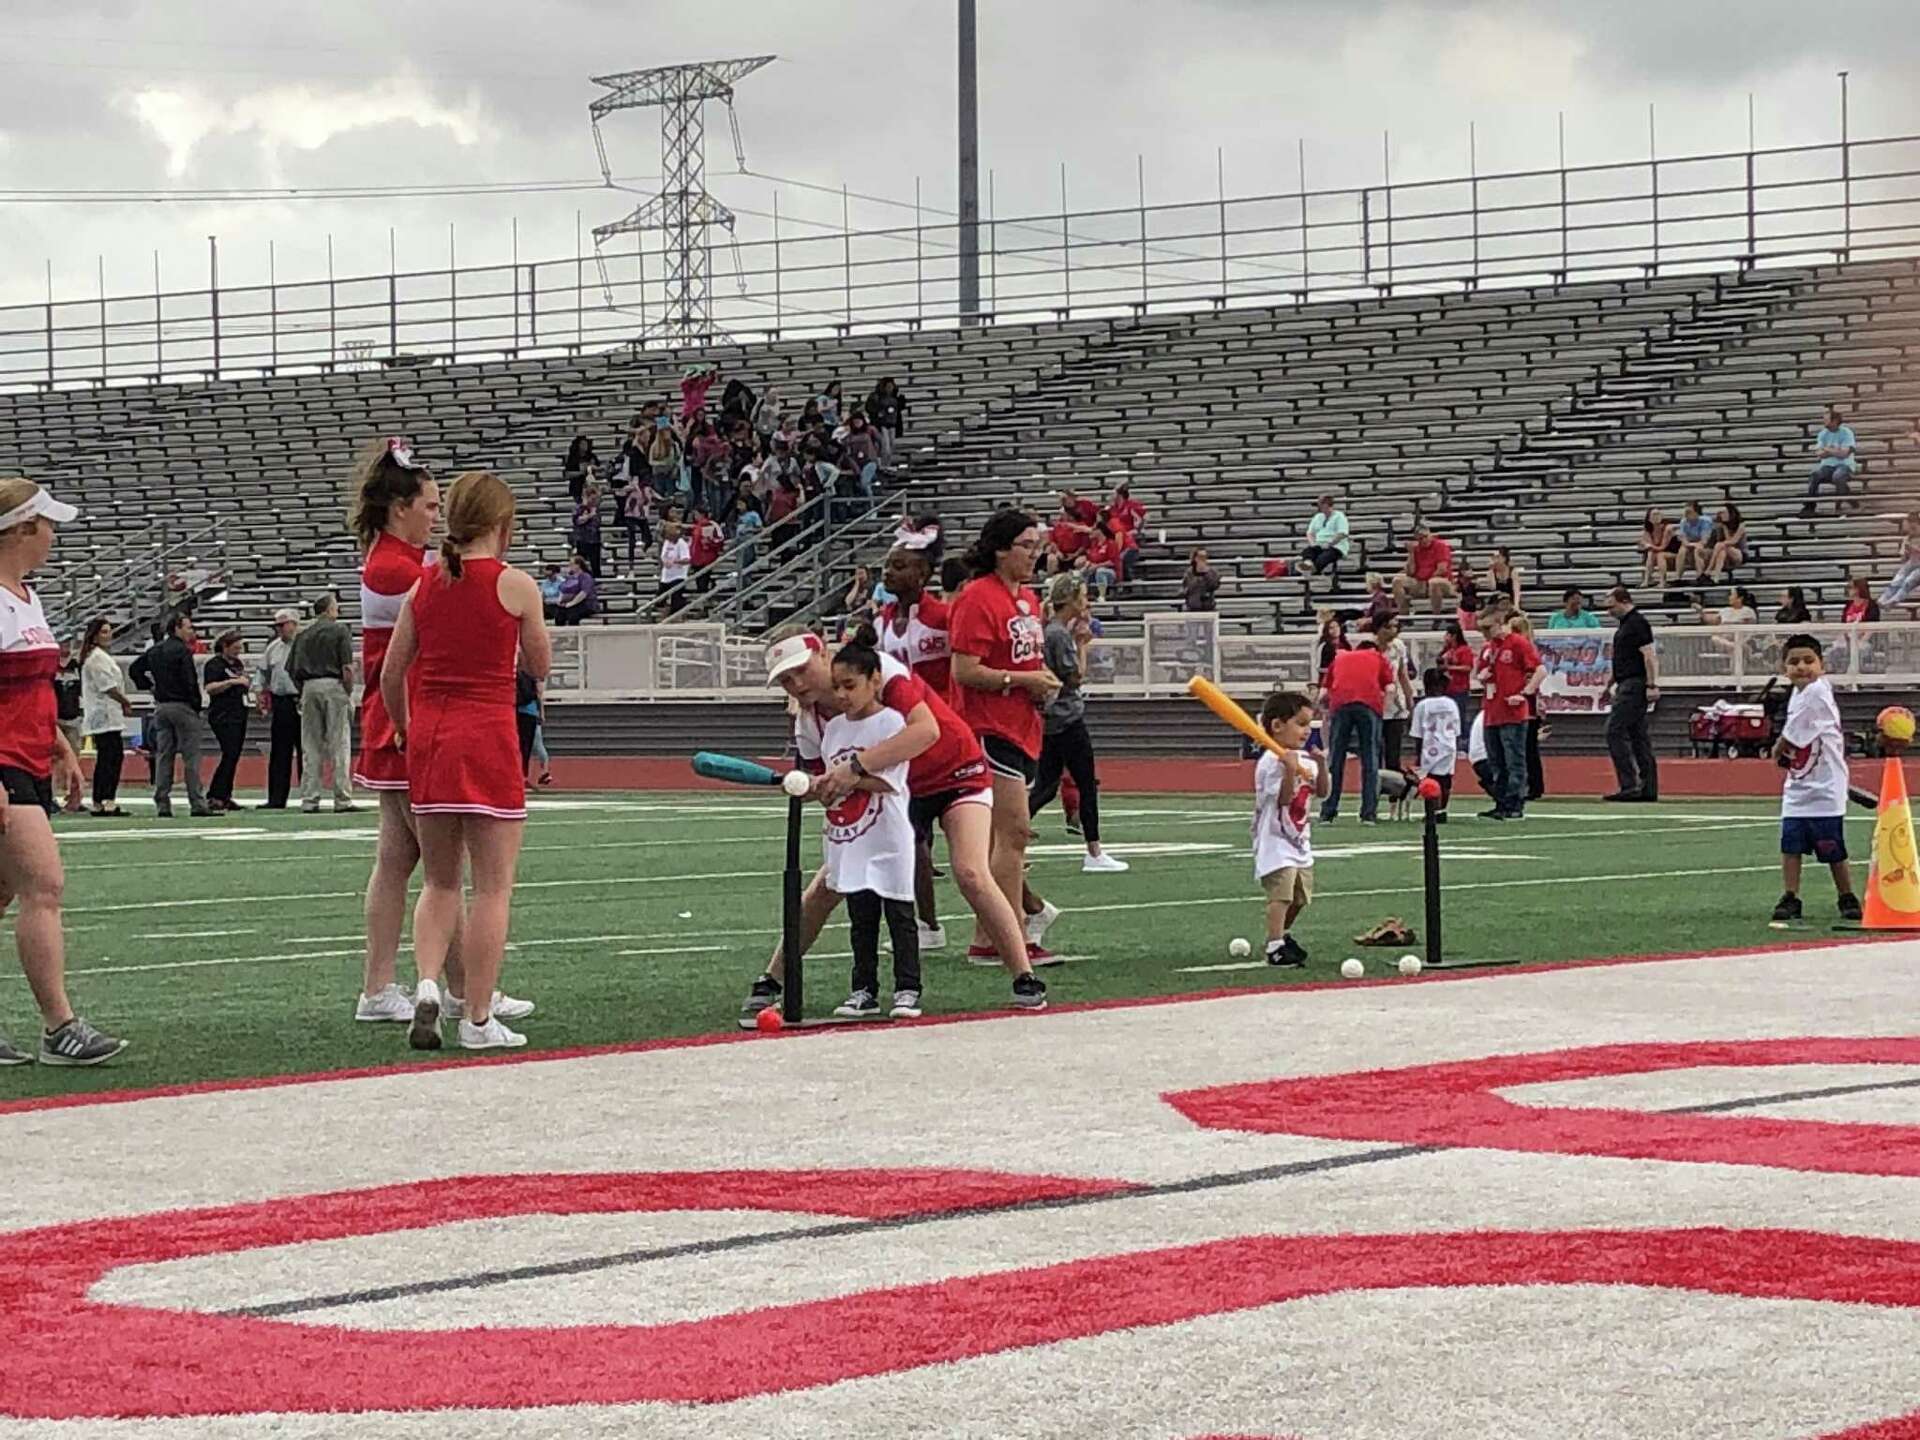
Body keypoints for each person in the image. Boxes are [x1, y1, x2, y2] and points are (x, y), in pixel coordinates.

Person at [741, 627, 1045, 1022]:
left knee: (970, 870)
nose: (796, 684)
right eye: (785, 679)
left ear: (822, 655)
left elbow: (926, 729)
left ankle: (1024, 975)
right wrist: (820, 787)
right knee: (830, 882)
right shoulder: (812, 724)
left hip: (955, 773)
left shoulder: (876, 671)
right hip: (891, 793)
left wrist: (854, 767)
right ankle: (773, 979)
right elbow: (833, 787)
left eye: (800, 670)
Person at [381, 470, 552, 1050]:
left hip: (431, 738)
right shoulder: (515, 584)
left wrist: (407, 729)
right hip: (488, 737)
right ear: (502, 526)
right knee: (493, 888)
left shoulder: (423, 585)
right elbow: (540, 665)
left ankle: (428, 983)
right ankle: (477, 1017)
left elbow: (388, 673)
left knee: (438, 881)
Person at [345, 436, 506, 1030]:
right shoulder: (398, 569)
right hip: (402, 723)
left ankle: (381, 986)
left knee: (398, 857)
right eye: (431, 506)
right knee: (442, 866)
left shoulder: (405, 563)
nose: (438, 516)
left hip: (397, 720)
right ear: (400, 508)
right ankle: (466, 992)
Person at [0, 477, 126, 1066]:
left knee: (6, 891)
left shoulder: (26, 594)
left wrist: (56, 742)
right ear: (23, 529)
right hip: (3, 764)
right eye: (47, 524)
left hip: (25, 756)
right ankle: (60, 1025)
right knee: (44, 884)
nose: (54, 535)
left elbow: (29, 686)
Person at [948, 507, 1067, 975]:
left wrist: (1036, 685)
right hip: (986, 727)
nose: (1035, 555)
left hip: (1022, 726)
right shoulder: (978, 597)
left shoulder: (1029, 601)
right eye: (1026, 546)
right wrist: (1019, 681)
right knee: (1013, 831)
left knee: (1010, 835)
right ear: (1000, 549)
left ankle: (987, 936)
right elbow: (965, 669)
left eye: (1038, 546)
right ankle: (1007, 932)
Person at [812, 639, 923, 1020]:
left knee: (899, 913)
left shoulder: (891, 722)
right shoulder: (834, 729)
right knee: (861, 917)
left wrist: (844, 780)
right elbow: (831, 777)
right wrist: (821, 788)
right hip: (850, 834)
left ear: (875, 680)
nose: (842, 695)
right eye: (837, 686)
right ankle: (863, 989)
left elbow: (887, 781)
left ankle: (908, 988)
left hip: (887, 835)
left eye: (850, 685)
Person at [873, 522, 956, 946]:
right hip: (908, 735)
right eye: (888, 565)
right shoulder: (884, 619)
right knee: (913, 832)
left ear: (923, 575)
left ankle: (1027, 908)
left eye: (900, 566)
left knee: (957, 845)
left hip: (946, 732)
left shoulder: (943, 616)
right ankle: (927, 924)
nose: (888, 573)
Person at [1029, 572, 1127, 874]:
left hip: (1051, 719)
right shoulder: (1059, 634)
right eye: (1082, 596)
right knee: (1086, 782)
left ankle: (1009, 831)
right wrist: (1083, 645)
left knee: (1045, 786)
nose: (1086, 601)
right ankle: (1094, 850)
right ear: (1071, 599)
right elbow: (1074, 677)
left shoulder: (1051, 630)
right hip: (1067, 718)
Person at [1769, 634, 1861, 923]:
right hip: (1800, 785)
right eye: (1794, 662)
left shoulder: (1818, 692)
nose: (1802, 667)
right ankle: (1791, 895)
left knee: (1832, 847)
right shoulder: (1797, 694)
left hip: (1825, 786)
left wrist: (1779, 748)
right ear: (1784, 668)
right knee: (1791, 845)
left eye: (1809, 661)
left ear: (1822, 665)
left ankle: (1846, 895)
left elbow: (1796, 730)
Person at [1252, 690, 1327, 967]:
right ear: (1277, 726)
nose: (1306, 731)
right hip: (1274, 840)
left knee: (1300, 897)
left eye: (1309, 724)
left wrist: (1320, 763)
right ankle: (1274, 946)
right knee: (1281, 895)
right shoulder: (1271, 763)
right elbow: (1283, 800)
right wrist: (1288, 771)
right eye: (1301, 723)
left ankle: (1282, 934)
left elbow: (1322, 792)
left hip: (1298, 840)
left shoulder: (1303, 758)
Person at [131, 609, 211, 818]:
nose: (191, 631)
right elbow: (189, 681)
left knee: (164, 756)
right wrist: (196, 704)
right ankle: (197, 802)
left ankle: (162, 801)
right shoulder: (182, 651)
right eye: (188, 627)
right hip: (183, 706)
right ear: (177, 628)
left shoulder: (156, 650)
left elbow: (135, 669)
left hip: (162, 706)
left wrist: (150, 686)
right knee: (191, 756)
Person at [1474, 606, 1544, 821]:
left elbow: (1540, 670)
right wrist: (1481, 676)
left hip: (1512, 712)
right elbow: (1482, 673)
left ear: (1500, 623)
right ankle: (1501, 801)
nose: (1484, 633)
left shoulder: (1517, 644)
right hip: (1492, 710)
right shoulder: (1488, 648)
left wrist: (1525, 693)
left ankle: (1515, 802)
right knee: (1496, 760)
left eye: (1488, 628)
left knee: (1514, 759)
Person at [1318, 627, 1392, 825]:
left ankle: (1328, 811)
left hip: (1340, 704)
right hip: (1368, 705)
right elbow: (1390, 688)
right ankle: (1368, 813)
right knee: (1370, 760)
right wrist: (1383, 711)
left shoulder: (1340, 658)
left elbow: (1323, 694)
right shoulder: (1379, 658)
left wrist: (1326, 711)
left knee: (1336, 759)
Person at [289, 592, 354, 814]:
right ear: (328, 609)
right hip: (333, 684)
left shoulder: (303, 634)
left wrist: (302, 690)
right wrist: (348, 691)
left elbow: (292, 669)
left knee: (311, 745)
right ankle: (342, 798)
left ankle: (310, 798)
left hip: (309, 686)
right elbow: (347, 667)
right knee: (339, 743)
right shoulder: (339, 630)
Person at [1603, 586, 1660, 804]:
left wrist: (1652, 684)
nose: (1609, 611)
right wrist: (1610, 681)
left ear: (1623, 601)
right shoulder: (1627, 625)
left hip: (1634, 684)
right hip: (1628, 682)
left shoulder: (1637, 624)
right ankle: (1647, 787)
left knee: (1614, 731)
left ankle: (1629, 784)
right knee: (1638, 736)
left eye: (1611, 606)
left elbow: (1649, 656)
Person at [78, 617, 131, 817]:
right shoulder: (97, 658)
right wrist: (125, 701)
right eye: (104, 632)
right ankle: (106, 799)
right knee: (111, 758)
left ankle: (101, 800)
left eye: (109, 631)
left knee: (106, 758)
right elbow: (108, 687)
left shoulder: (97, 656)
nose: (108, 636)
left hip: (106, 714)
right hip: (105, 714)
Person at [255, 607, 302, 808]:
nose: (279, 630)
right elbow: (261, 672)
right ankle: (276, 798)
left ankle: (309, 795)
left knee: (306, 751)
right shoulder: (273, 648)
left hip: (301, 700)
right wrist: (258, 692)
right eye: (277, 626)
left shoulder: (304, 645)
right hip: (281, 702)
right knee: (279, 752)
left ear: (294, 624)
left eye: (282, 625)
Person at [202, 629, 251, 812]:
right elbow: (210, 687)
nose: (238, 651)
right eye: (235, 647)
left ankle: (225, 795)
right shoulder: (214, 665)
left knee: (234, 755)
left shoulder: (237, 664)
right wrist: (232, 683)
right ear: (225, 646)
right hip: (222, 715)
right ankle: (215, 794)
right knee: (229, 753)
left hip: (239, 712)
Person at [1409, 668, 1461, 821]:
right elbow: (1456, 730)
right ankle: (1442, 810)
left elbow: (1418, 733)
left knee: (1430, 781)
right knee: (1445, 781)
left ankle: (1431, 811)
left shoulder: (1423, 706)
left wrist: (1418, 755)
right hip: (1448, 747)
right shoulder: (1452, 704)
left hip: (1429, 748)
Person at [1800, 404, 1858, 517]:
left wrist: (1827, 450)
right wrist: (1834, 451)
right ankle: (1810, 506)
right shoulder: (1823, 434)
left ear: (1835, 421)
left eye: (1826, 419)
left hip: (1844, 465)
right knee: (1814, 475)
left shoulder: (1846, 433)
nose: (1824, 422)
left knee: (1838, 476)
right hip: (1827, 465)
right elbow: (1819, 454)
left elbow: (1844, 454)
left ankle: (1849, 500)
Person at [1375, 615, 1416, 773]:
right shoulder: (1369, 647)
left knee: (1394, 752)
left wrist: (1410, 701)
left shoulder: (1399, 646)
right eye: (1390, 627)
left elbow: (1403, 675)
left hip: (1396, 706)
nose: (1394, 630)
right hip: (1375, 704)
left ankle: (1393, 790)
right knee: (1374, 751)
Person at [1392, 524, 1458, 615]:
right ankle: (1403, 614)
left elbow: (1442, 570)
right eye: (1420, 539)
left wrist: (1426, 582)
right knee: (1397, 580)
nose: (1424, 540)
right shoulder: (1416, 549)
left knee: (1434, 582)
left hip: (1442, 581)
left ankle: (1436, 616)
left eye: (1425, 537)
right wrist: (1411, 554)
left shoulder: (1440, 546)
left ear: (1430, 534)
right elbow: (1411, 572)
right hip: (1421, 583)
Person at [50, 643, 82, 808]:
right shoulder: (51, 665)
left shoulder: (76, 666)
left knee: (74, 758)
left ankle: (73, 797)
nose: (66, 647)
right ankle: (52, 796)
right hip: (56, 718)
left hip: (73, 716)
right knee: (53, 760)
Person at [515, 667, 553, 787]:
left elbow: (537, 696)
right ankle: (539, 772)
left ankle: (529, 774)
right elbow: (538, 697)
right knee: (531, 745)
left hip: (523, 712)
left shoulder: (522, 677)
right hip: (530, 713)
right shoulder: (532, 677)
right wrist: (541, 713)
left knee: (527, 745)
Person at [1299, 494, 1350, 580]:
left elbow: (1342, 533)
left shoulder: (1339, 516)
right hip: (1319, 544)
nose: (1321, 507)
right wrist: (1313, 543)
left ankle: (1311, 572)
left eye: (1322, 504)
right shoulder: (1318, 517)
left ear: (1328, 505)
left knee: (1323, 558)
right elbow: (1310, 533)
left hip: (1335, 546)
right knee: (1308, 551)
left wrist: (1330, 543)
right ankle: (1308, 565)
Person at [1439, 618, 1475, 732]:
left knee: (1459, 714)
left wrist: (1450, 667)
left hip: (1460, 688)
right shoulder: (1448, 650)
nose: (1445, 637)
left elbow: (1468, 667)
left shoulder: (1464, 650)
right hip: (1447, 687)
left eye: (1448, 635)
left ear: (1454, 636)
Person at [1878, 512, 1920, 608]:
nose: (1911, 532)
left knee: (1910, 579)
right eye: (1910, 529)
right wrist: (1906, 552)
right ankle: (1884, 598)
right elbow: (1903, 560)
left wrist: (1916, 549)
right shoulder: (1907, 539)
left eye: (1914, 529)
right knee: (1898, 579)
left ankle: (1895, 599)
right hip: (1912, 563)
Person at [865, 377, 905, 467]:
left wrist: (901, 400)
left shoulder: (896, 397)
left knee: (892, 445)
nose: (890, 388)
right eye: (888, 386)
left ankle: (888, 464)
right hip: (881, 424)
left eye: (891, 386)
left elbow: (900, 408)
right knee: (885, 446)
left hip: (893, 423)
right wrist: (878, 413)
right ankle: (883, 464)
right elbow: (870, 408)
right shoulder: (876, 397)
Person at [1704, 504, 1747, 583]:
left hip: (1740, 553)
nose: (1721, 515)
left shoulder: (1741, 525)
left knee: (1719, 545)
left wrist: (1722, 544)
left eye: (1723, 513)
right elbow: (1728, 540)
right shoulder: (1724, 526)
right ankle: (1716, 577)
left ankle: (1709, 570)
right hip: (1728, 551)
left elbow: (1734, 541)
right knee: (1722, 552)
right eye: (1720, 513)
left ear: (1730, 513)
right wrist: (1724, 527)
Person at [554, 553, 599, 626]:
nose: (570, 566)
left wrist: (571, 604)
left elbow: (583, 593)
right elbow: (563, 590)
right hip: (570, 601)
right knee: (559, 614)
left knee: (572, 615)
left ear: (578, 565)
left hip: (586, 603)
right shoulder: (570, 577)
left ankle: (574, 634)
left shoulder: (586, 577)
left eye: (572, 564)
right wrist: (560, 600)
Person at [1674, 501, 1713, 581]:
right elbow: (1684, 540)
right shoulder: (1684, 522)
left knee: (1698, 550)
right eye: (1685, 512)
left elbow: (1704, 541)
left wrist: (1692, 544)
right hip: (1691, 545)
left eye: (1689, 512)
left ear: (1696, 513)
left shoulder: (1706, 521)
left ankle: (1700, 577)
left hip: (1707, 548)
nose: (1686, 515)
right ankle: (1678, 578)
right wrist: (1691, 544)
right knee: (1682, 550)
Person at [657, 521, 691, 615]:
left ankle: (676, 615)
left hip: (678, 575)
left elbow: (687, 560)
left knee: (676, 600)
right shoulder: (667, 542)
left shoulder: (681, 543)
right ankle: (666, 612)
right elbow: (663, 556)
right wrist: (665, 562)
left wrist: (675, 561)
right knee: (659, 600)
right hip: (666, 575)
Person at [570, 484, 604, 579]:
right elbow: (578, 521)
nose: (595, 501)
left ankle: (597, 584)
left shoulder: (596, 509)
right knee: (580, 565)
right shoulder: (579, 508)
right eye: (593, 499)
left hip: (595, 540)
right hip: (582, 539)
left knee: (596, 565)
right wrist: (590, 515)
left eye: (596, 499)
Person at [1638, 508, 1675, 589]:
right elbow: (1645, 544)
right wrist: (1646, 544)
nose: (1656, 517)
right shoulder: (1648, 530)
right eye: (1654, 515)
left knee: (1659, 554)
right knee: (1651, 553)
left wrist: (1647, 545)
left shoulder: (1668, 528)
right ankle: (1646, 581)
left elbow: (1663, 547)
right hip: (1657, 556)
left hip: (1673, 555)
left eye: (1658, 514)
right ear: (1649, 519)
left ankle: (1662, 581)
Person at [1182, 548, 1221, 612]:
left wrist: (1206, 573)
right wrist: (1197, 579)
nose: (1203, 559)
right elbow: (1187, 587)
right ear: (1195, 558)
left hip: (1209, 607)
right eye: (1201, 557)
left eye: (1205, 557)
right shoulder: (1189, 572)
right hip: (1192, 607)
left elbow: (1214, 586)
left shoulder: (1212, 571)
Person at [562, 434, 597, 505]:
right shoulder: (572, 458)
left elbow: (598, 468)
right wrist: (581, 472)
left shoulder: (591, 456)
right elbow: (567, 474)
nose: (585, 446)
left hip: (589, 485)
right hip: (577, 486)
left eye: (586, 444)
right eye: (583, 444)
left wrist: (592, 467)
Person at [1484, 547, 1522, 612]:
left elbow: (1516, 591)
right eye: (1493, 557)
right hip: (1496, 601)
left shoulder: (1513, 571)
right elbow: (1493, 587)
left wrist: (1516, 605)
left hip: (1510, 601)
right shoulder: (1491, 572)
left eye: (1497, 557)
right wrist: (1491, 572)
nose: (1494, 559)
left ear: (1504, 559)